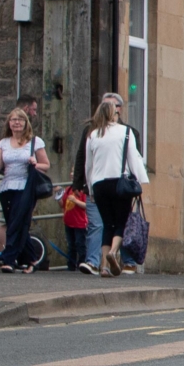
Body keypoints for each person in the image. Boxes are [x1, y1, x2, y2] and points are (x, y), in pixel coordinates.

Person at [82, 97, 147, 276]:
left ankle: (104, 265)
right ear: (113, 114)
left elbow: (88, 165)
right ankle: (113, 252)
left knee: (106, 223)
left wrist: (90, 188)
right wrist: (140, 181)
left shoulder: (93, 135)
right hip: (119, 183)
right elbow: (134, 159)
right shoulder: (125, 132)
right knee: (121, 222)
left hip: (99, 184)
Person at [0, 106, 49, 273]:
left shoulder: (35, 141)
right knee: (16, 223)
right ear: (9, 123)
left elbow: (46, 165)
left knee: (16, 223)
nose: (17, 122)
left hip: (26, 187)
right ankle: (32, 259)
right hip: (7, 187)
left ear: (26, 123)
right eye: (13, 120)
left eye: (20, 119)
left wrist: (35, 163)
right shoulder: (4, 143)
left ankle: (9, 259)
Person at [71, 92, 123, 273]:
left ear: (118, 110)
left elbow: (133, 159)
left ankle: (109, 262)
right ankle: (94, 261)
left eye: (111, 106)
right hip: (96, 185)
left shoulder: (126, 131)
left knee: (113, 224)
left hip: (118, 186)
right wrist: (78, 183)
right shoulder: (91, 132)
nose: (107, 109)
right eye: (104, 105)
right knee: (96, 223)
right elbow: (83, 159)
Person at [60, 181, 89, 272]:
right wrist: (58, 196)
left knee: (80, 244)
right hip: (68, 222)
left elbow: (87, 206)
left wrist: (76, 201)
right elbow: (63, 205)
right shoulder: (68, 189)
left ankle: (82, 264)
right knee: (71, 245)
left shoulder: (84, 190)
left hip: (80, 223)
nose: (72, 175)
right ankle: (71, 265)